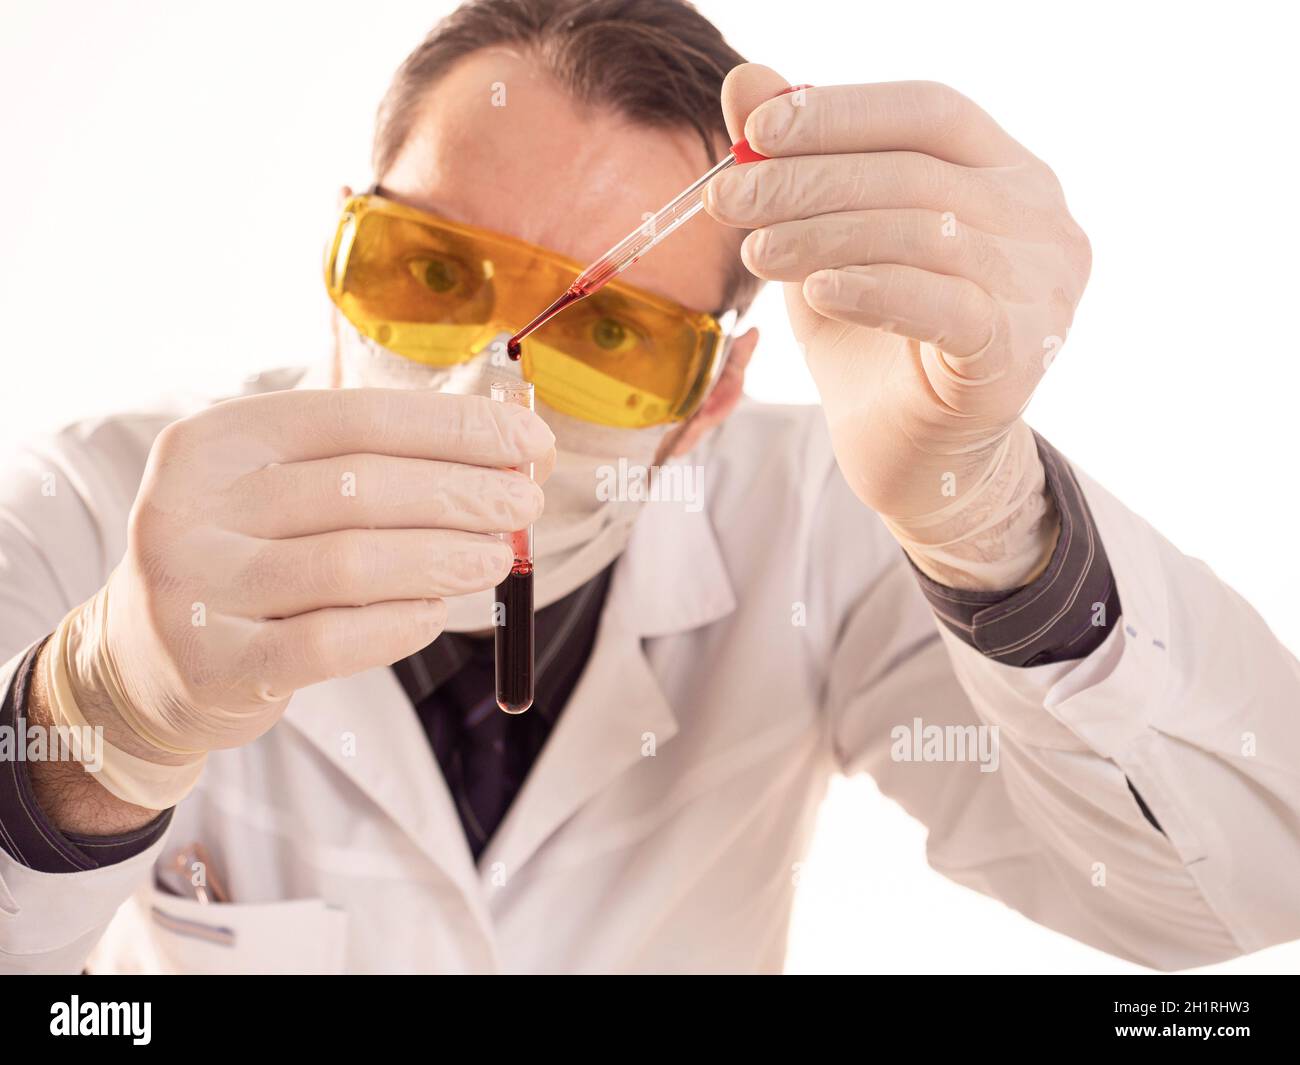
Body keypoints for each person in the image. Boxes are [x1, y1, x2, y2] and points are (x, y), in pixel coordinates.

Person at [1, 0, 1296, 975]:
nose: (488, 391)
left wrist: (990, 521)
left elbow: (1225, 891)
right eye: (437, 274)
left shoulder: (817, 528)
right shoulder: (100, 511)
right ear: (341, 243)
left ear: (712, 398)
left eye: (610, 338)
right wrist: (100, 719)